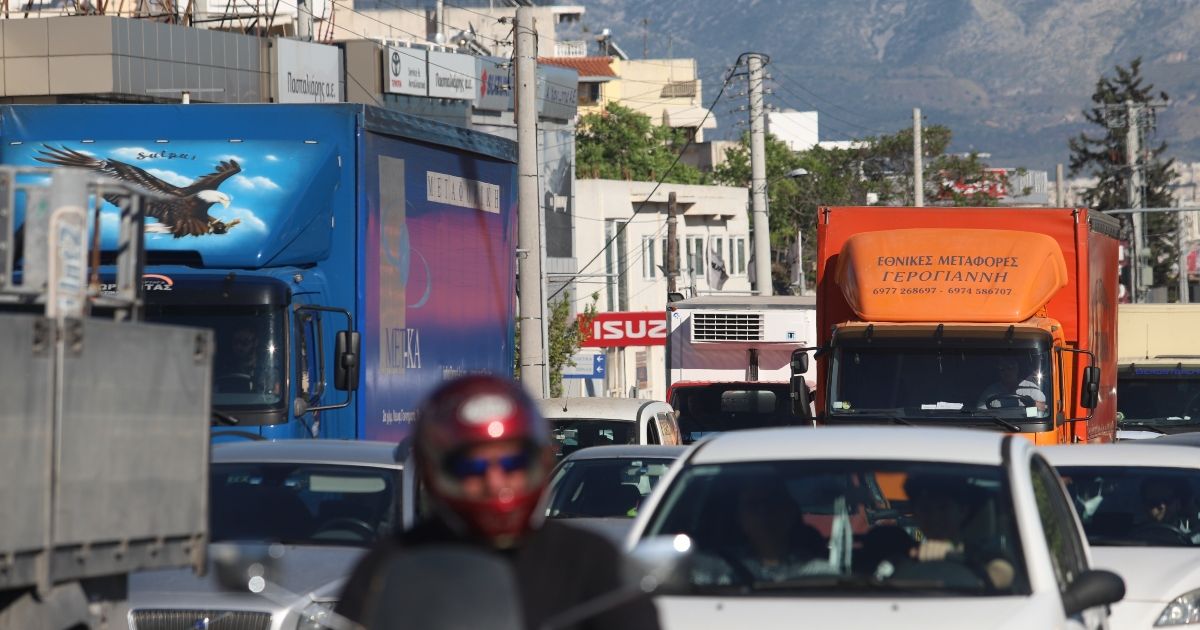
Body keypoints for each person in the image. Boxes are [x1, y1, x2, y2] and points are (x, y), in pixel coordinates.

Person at [335, 375, 660, 630]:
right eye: (472, 468)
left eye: (512, 464)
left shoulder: (589, 561)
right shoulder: (392, 565)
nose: (495, 482)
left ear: (539, 462)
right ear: (436, 471)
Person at [904, 473, 1015, 590]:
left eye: (943, 508)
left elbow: (1002, 574)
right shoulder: (904, 553)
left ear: (963, 511)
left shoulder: (983, 553)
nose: (934, 517)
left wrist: (954, 554)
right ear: (915, 514)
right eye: (925, 509)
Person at [977, 356, 1047, 413]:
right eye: (1002, 368)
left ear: (1018, 368)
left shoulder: (1030, 388)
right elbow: (980, 412)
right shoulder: (991, 391)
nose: (1007, 372)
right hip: (997, 424)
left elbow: (1046, 409)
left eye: (1010, 367)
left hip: (1028, 424)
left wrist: (1033, 404)